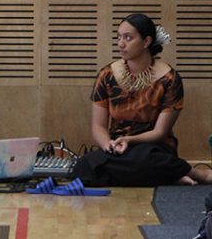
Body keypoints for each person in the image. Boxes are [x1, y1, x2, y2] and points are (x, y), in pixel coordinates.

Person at [72, 13, 212, 186]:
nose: (120, 43)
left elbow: (160, 133)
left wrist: (130, 140)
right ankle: (169, 176)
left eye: (128, 38)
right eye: (119, 37)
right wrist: (109, 145)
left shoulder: (169, 79)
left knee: (145, 158)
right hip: (118, 148)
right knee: (83, 166)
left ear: (146, 42)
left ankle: (199, 175)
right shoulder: (106, 75)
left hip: (154, 149)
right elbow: (98, 127)